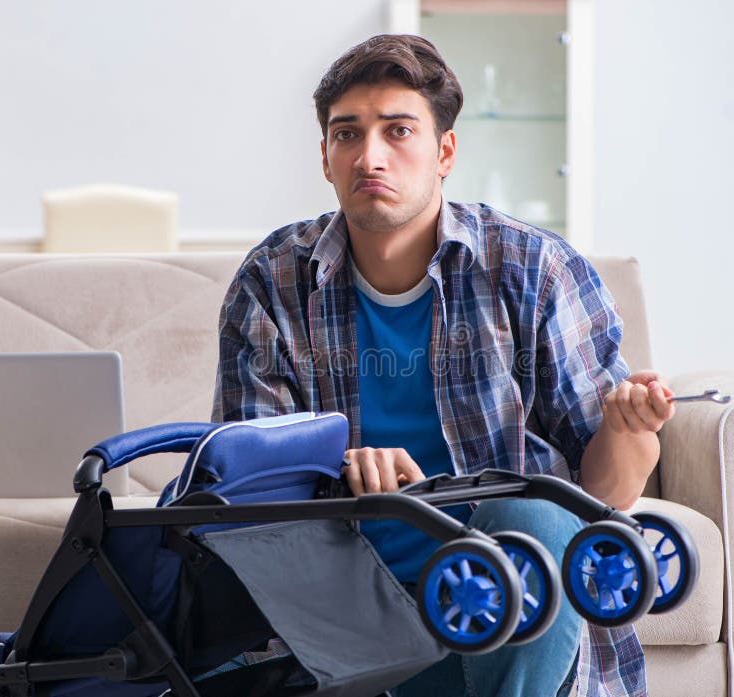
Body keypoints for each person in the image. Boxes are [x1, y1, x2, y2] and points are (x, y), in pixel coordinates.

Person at [213, 33, 675, 697]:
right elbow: (249, 494)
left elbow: (599, 502)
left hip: (508, 616)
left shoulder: (534, 270)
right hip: (344, 628)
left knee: (541, 520)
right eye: (347, 134)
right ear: (325, 157)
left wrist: (632, 429)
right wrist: (341, 466)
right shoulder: (272, 281)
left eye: (398, 130)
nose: (370, 155)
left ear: (445, 151)